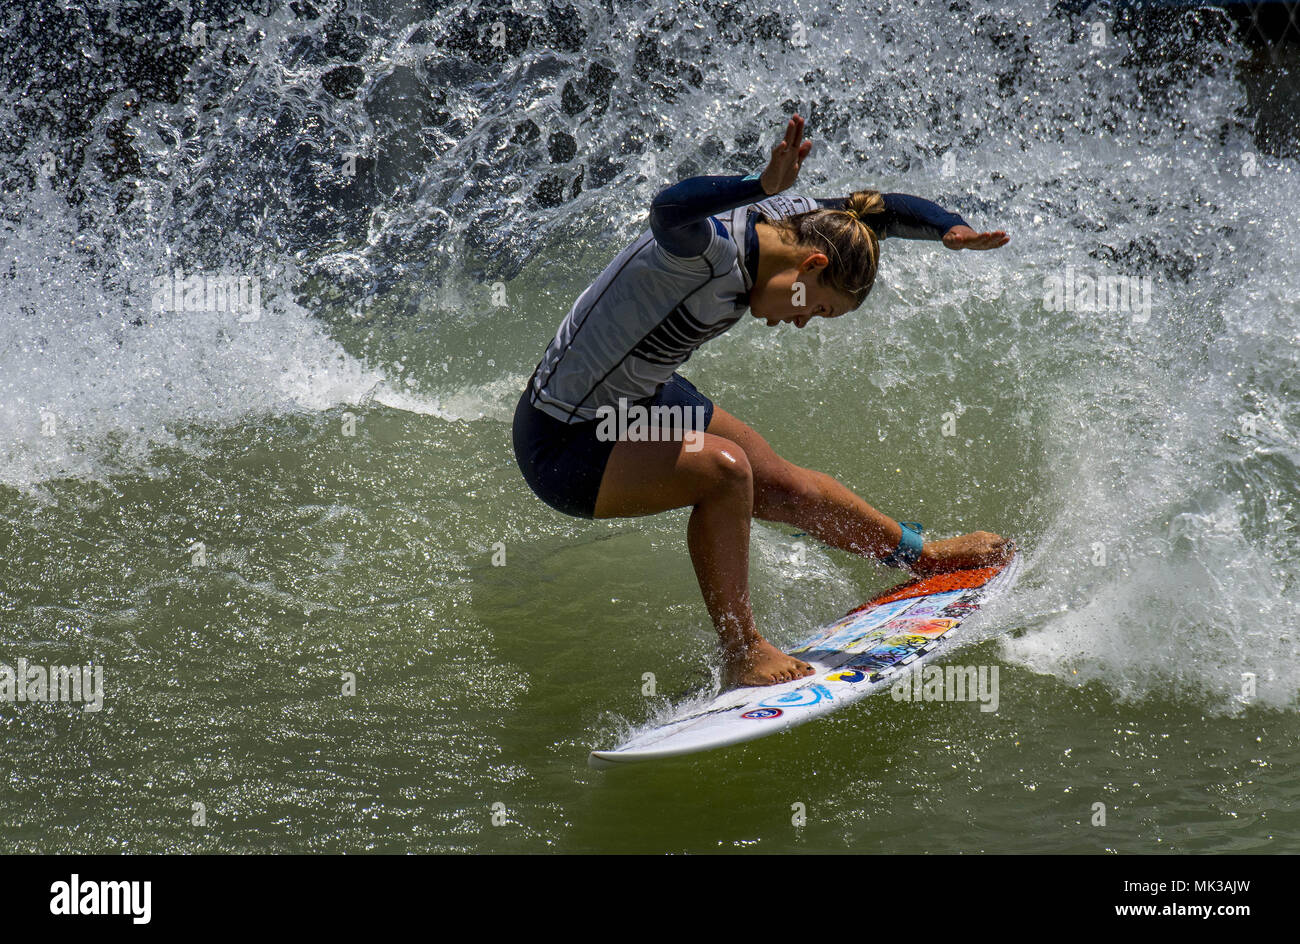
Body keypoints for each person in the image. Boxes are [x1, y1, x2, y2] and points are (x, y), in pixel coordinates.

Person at [513, 114, 1014, 688]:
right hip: (565, 439)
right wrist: (759, 182)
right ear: (811, 266)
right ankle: (742, 651)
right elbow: (667, 210)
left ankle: (920, 557)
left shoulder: (803, 225)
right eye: (817, 307)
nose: (802, 322)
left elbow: (877, 211)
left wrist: (949, 228)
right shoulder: (706, 249)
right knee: (726, 474)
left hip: (636, 398)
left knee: (781, 484)